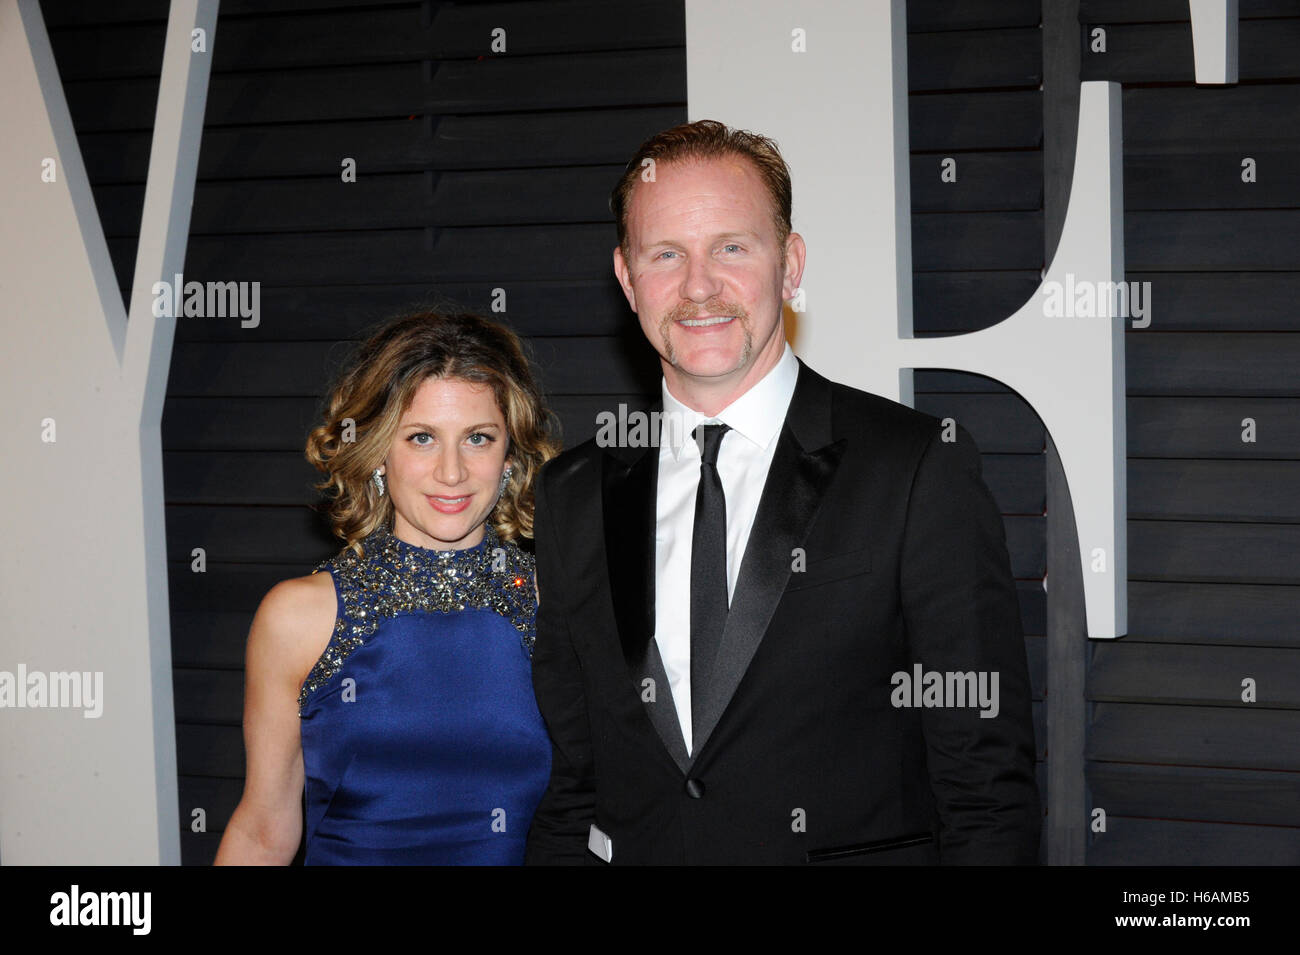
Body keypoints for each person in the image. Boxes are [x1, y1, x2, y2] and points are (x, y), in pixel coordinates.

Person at [524, 121, 1041, 865]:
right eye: (665, 254)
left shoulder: (916, 467)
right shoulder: (573, 491)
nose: (699, 286)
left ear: (791, 265)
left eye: (732, 247)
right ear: (627, 277)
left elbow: (985, 788)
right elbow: (573, 782)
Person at [215, 311, 558, 865]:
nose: (452, 472)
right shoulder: (299, 617)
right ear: (377, 452)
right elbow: (262, 829)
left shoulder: (560, 604)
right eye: (421, 438)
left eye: (478, 438)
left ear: (510, 457)